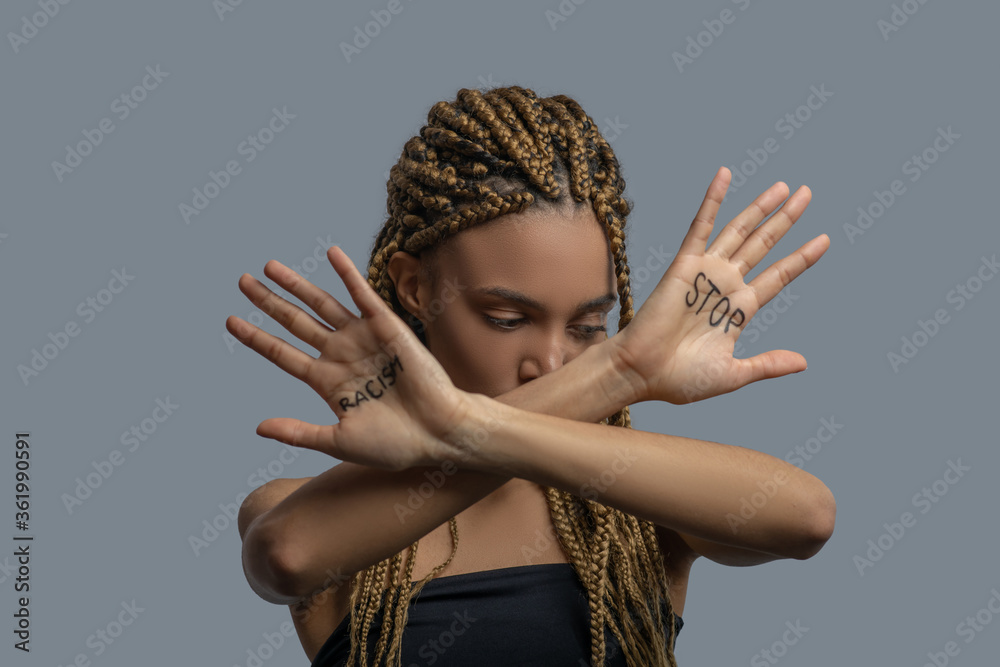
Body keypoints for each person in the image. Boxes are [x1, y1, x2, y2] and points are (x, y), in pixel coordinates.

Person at [230, 85, 836, 666]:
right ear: (415, 287)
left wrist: (468, 422)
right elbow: (284, 555)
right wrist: (618, 369)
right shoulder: (306, 509)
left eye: (588, 328)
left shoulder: (634, 504)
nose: (548, 362)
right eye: (507, 318)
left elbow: (807, 517)